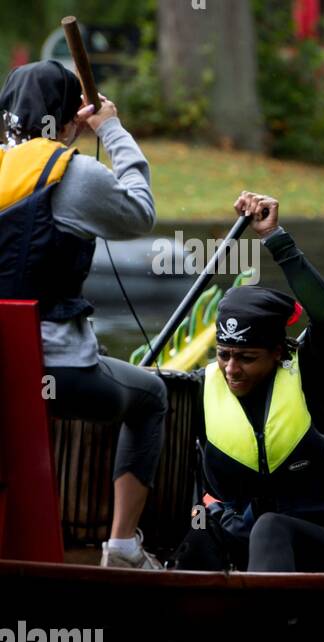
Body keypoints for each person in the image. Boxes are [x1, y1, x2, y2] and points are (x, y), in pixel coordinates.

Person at [0, 61, 164, 568]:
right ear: (72, 122)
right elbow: (141, 212)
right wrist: (111, 128)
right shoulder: (74, 175)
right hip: (57, 368)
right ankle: (121, 548)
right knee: (151, 396)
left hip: (3, 368)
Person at [173, 192, 324, 573]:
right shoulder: (200, 389)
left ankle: (268, 627)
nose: (232, 368)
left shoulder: (309, 374)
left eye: (247, 358)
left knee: (270, 526)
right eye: (224, 354)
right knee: (195, 533)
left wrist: (275, 238)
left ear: (278, 352)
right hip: (242, 538)